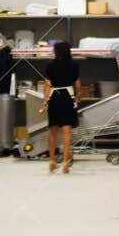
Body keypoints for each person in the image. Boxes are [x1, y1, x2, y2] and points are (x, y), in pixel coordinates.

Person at [43, 40, 79, 173]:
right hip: (68, 97)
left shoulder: (50, 65)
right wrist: (78, 95)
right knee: (66, 130)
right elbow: (77, 83)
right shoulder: (74, 65)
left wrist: (45, 100)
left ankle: (52, 161)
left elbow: (47, 83)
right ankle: (65, 162)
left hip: (54, 97)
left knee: (52, 130)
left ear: (56, 51)